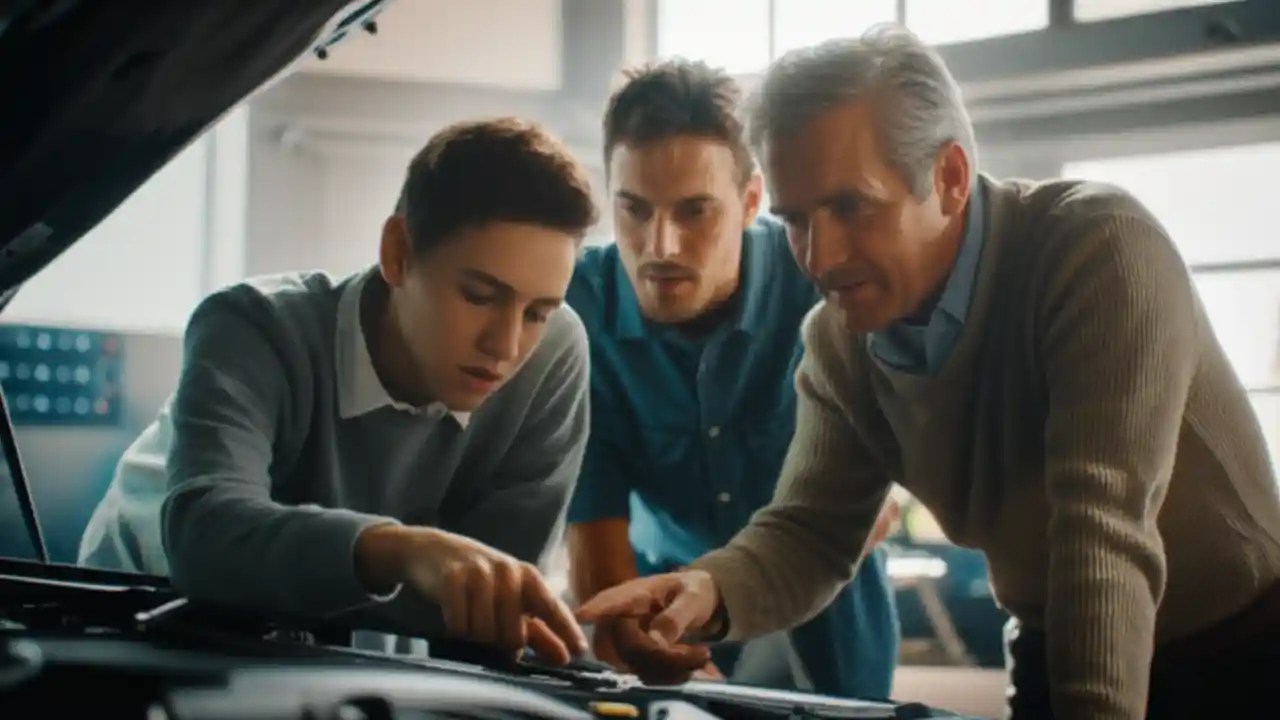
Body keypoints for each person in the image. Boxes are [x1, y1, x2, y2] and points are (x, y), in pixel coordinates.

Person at [576, 26, 1280, 720]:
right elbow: (811, 533)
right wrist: (704, 591)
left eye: (851, 207)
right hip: (1048, 639)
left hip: (1242, 645)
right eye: (796, 220)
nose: (819, 258)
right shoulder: (838, 338)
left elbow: (1100, 532)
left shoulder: (1099, 249)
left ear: (948, 177)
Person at [79, 118, 597, 663]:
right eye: (478, 295)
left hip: (337, 652)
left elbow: (485, 610)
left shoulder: (555, 352)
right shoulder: (252, 326)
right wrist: (400, 551)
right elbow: (205, 538)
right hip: (134, 620)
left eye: (538, 311)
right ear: (397, 252)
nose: (507, 345)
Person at [563, 59, 900, 698]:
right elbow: (595, 538)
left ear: (750, 202)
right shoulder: (577, 310)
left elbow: (868, 504)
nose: (660, 245)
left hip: (824, 585)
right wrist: (640, 640)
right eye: (633, 210)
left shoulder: (824, 280)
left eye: (695, 212)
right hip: (660, 594)